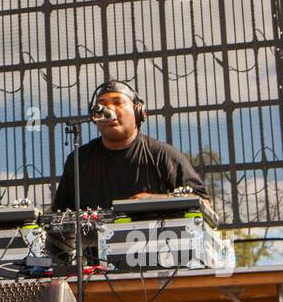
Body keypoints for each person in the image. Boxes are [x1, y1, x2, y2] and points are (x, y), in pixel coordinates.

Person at [52, 79, 207, 212]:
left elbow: (203, 202)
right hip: (92, 247)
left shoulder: (162, 154)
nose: (108, 109)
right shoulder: (79, 160)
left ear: (138, 111)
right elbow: (58, 218)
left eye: (118, 102)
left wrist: (152, 200)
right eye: (101, 105)